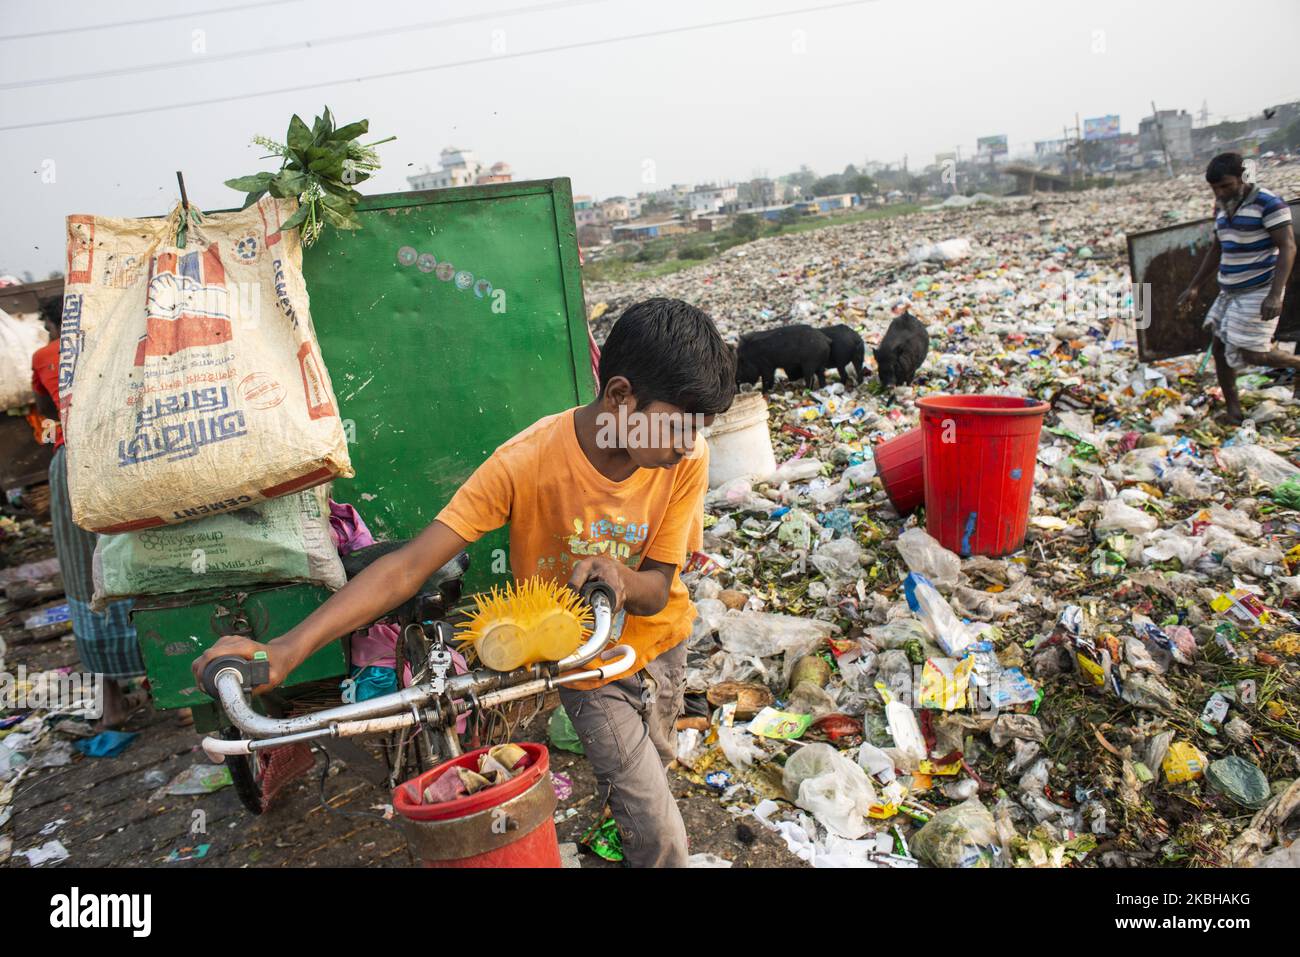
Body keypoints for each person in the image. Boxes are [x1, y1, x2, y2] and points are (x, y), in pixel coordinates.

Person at [193, 298, 736, 867]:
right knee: (662, 832)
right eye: (677, 426)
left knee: (652, 770)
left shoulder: (684, 459)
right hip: (587, 670)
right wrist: (285, 648)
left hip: (661, 645)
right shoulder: (525, 463)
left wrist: (619, 578)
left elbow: (656, 588)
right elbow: (409, 566)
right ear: (621, 396)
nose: (687, 444)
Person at [31, 297, 147, 729]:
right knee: (139, 555)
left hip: (71, 464)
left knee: (84, 571)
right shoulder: (108, 342)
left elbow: (45, 410)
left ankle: (112, 702)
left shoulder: (45, 355)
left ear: (49, 322)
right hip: (118, 454)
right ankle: (170, 678)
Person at [1178, 152, 1297, 424]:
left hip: (1258, 288)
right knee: (1219, 350)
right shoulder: (1221, 205)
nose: (1220, 192)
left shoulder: (1269, 204)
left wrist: (1275, 295)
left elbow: (1288, 247)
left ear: (1243, 178)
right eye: (1215, 188)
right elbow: (1218, 247)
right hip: (1229, 291)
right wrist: (1195, 286)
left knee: (1253, 353)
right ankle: (1234, 411)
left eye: (1226, 186)